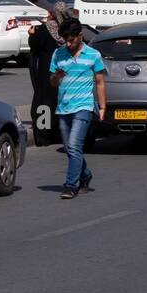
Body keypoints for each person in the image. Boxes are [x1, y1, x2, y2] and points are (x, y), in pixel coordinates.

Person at [50, 18, 106, 199]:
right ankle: (86, 174)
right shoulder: (58, 54)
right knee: (69, 149)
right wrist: (56, 75)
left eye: (71, 40)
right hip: (63, 108)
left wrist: (102, 107)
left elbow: (100, 82)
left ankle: (70, 185)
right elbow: (52, 83)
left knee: (74, 146)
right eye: (65, 40)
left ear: (80, 36)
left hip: (84, 106)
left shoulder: (93, 55)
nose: (68, 44)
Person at [27, 7, 65, 147]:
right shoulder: (67, 29)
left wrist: (31, 34)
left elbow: (35, 44)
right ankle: (58, 133)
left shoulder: (45, 29)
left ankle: (43, 136)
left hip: (47, 69)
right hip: (64, 70)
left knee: (44, 102)